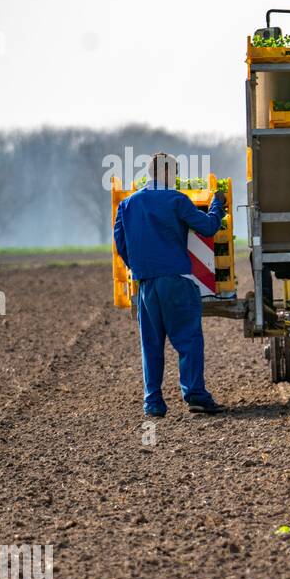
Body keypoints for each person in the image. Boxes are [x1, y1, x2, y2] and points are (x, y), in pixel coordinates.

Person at [113, 152, 227, 416]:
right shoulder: (176, 200)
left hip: (146, 285)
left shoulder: (128, 205)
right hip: (176, 281)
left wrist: (140, 267)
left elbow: (120, 242)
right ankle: (195, 395)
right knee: (188, 340)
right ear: (166, 173)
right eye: (174, 174)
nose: (175, 179)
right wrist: (216, 204)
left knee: (151, 344)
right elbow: (208, 227)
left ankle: (153, 404)